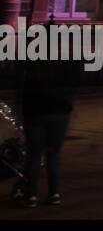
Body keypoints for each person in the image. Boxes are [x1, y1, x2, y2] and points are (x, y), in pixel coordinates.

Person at [18, 60, 76, 207]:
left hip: (35, 111)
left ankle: (31, 195)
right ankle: (54, 193)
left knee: (34, 155)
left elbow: (22, 84)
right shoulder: (65, 60)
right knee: (54, 154)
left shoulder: (31, 61)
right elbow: (72, 84)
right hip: (59, 111)